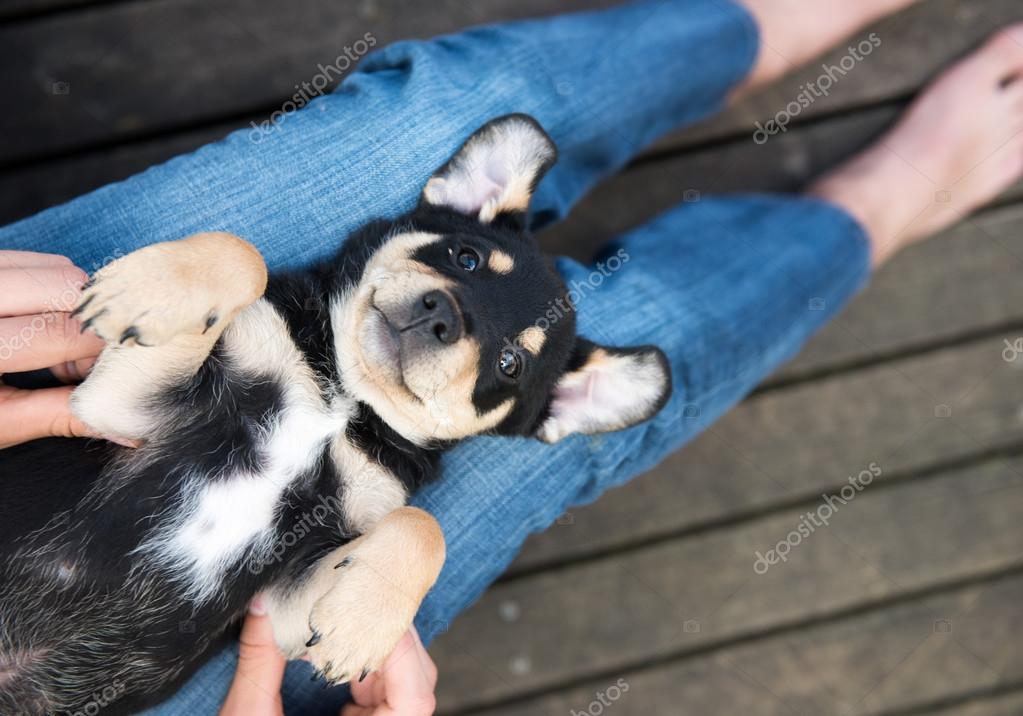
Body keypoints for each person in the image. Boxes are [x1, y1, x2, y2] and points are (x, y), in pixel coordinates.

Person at [2, 0, 1022, 711]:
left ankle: (746, 27)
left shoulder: (324, 381)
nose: (454, 321)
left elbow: (113, 389)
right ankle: (875, 213)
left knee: (458, 109)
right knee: (649, 342)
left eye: (492, 367)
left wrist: (217, 273)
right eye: (454, 267)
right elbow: (301, 617)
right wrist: (409, 552)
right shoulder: (385, 489)